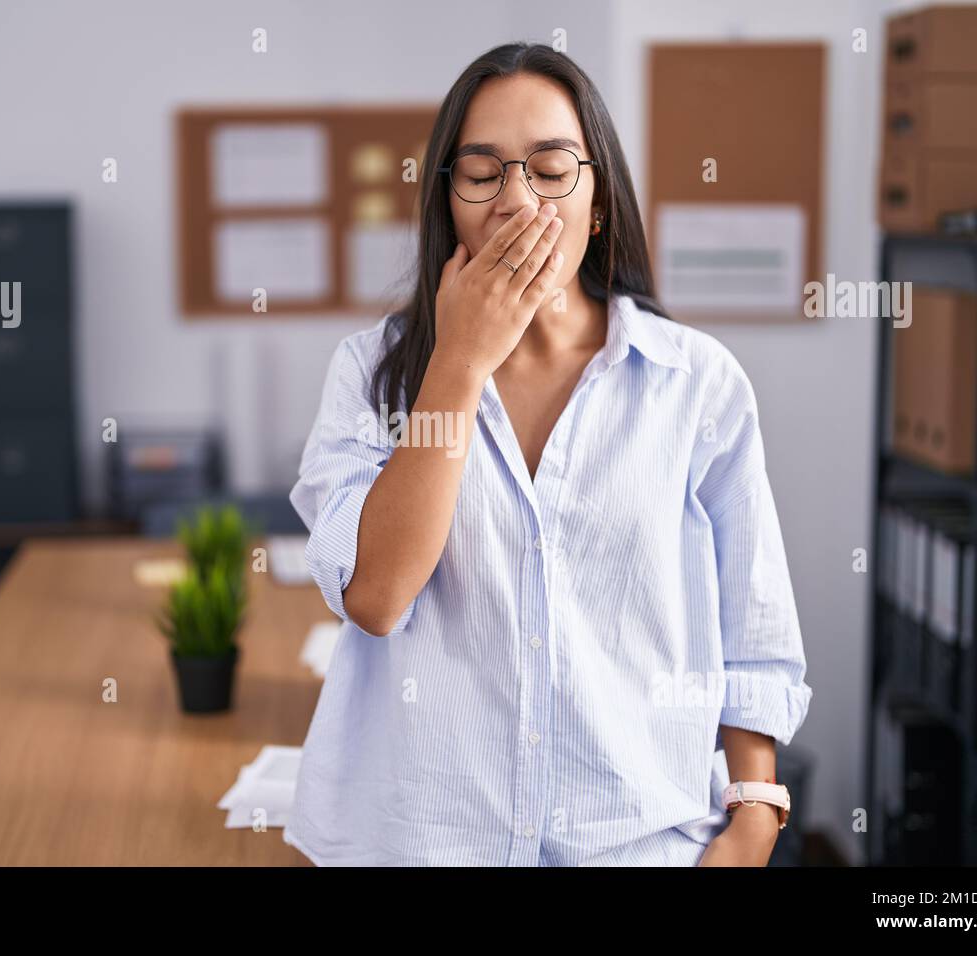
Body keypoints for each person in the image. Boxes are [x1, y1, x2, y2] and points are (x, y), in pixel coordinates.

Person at [285, 42, 812, 866]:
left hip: (639, 847)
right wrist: (458, 361)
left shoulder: (695, 383)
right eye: (483, 171)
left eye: (551, 166)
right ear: (447, 204)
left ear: (597, 199)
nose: (517, 200)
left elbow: (754, 633)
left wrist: (753, 819)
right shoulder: (371, 375)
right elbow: (377, 596)